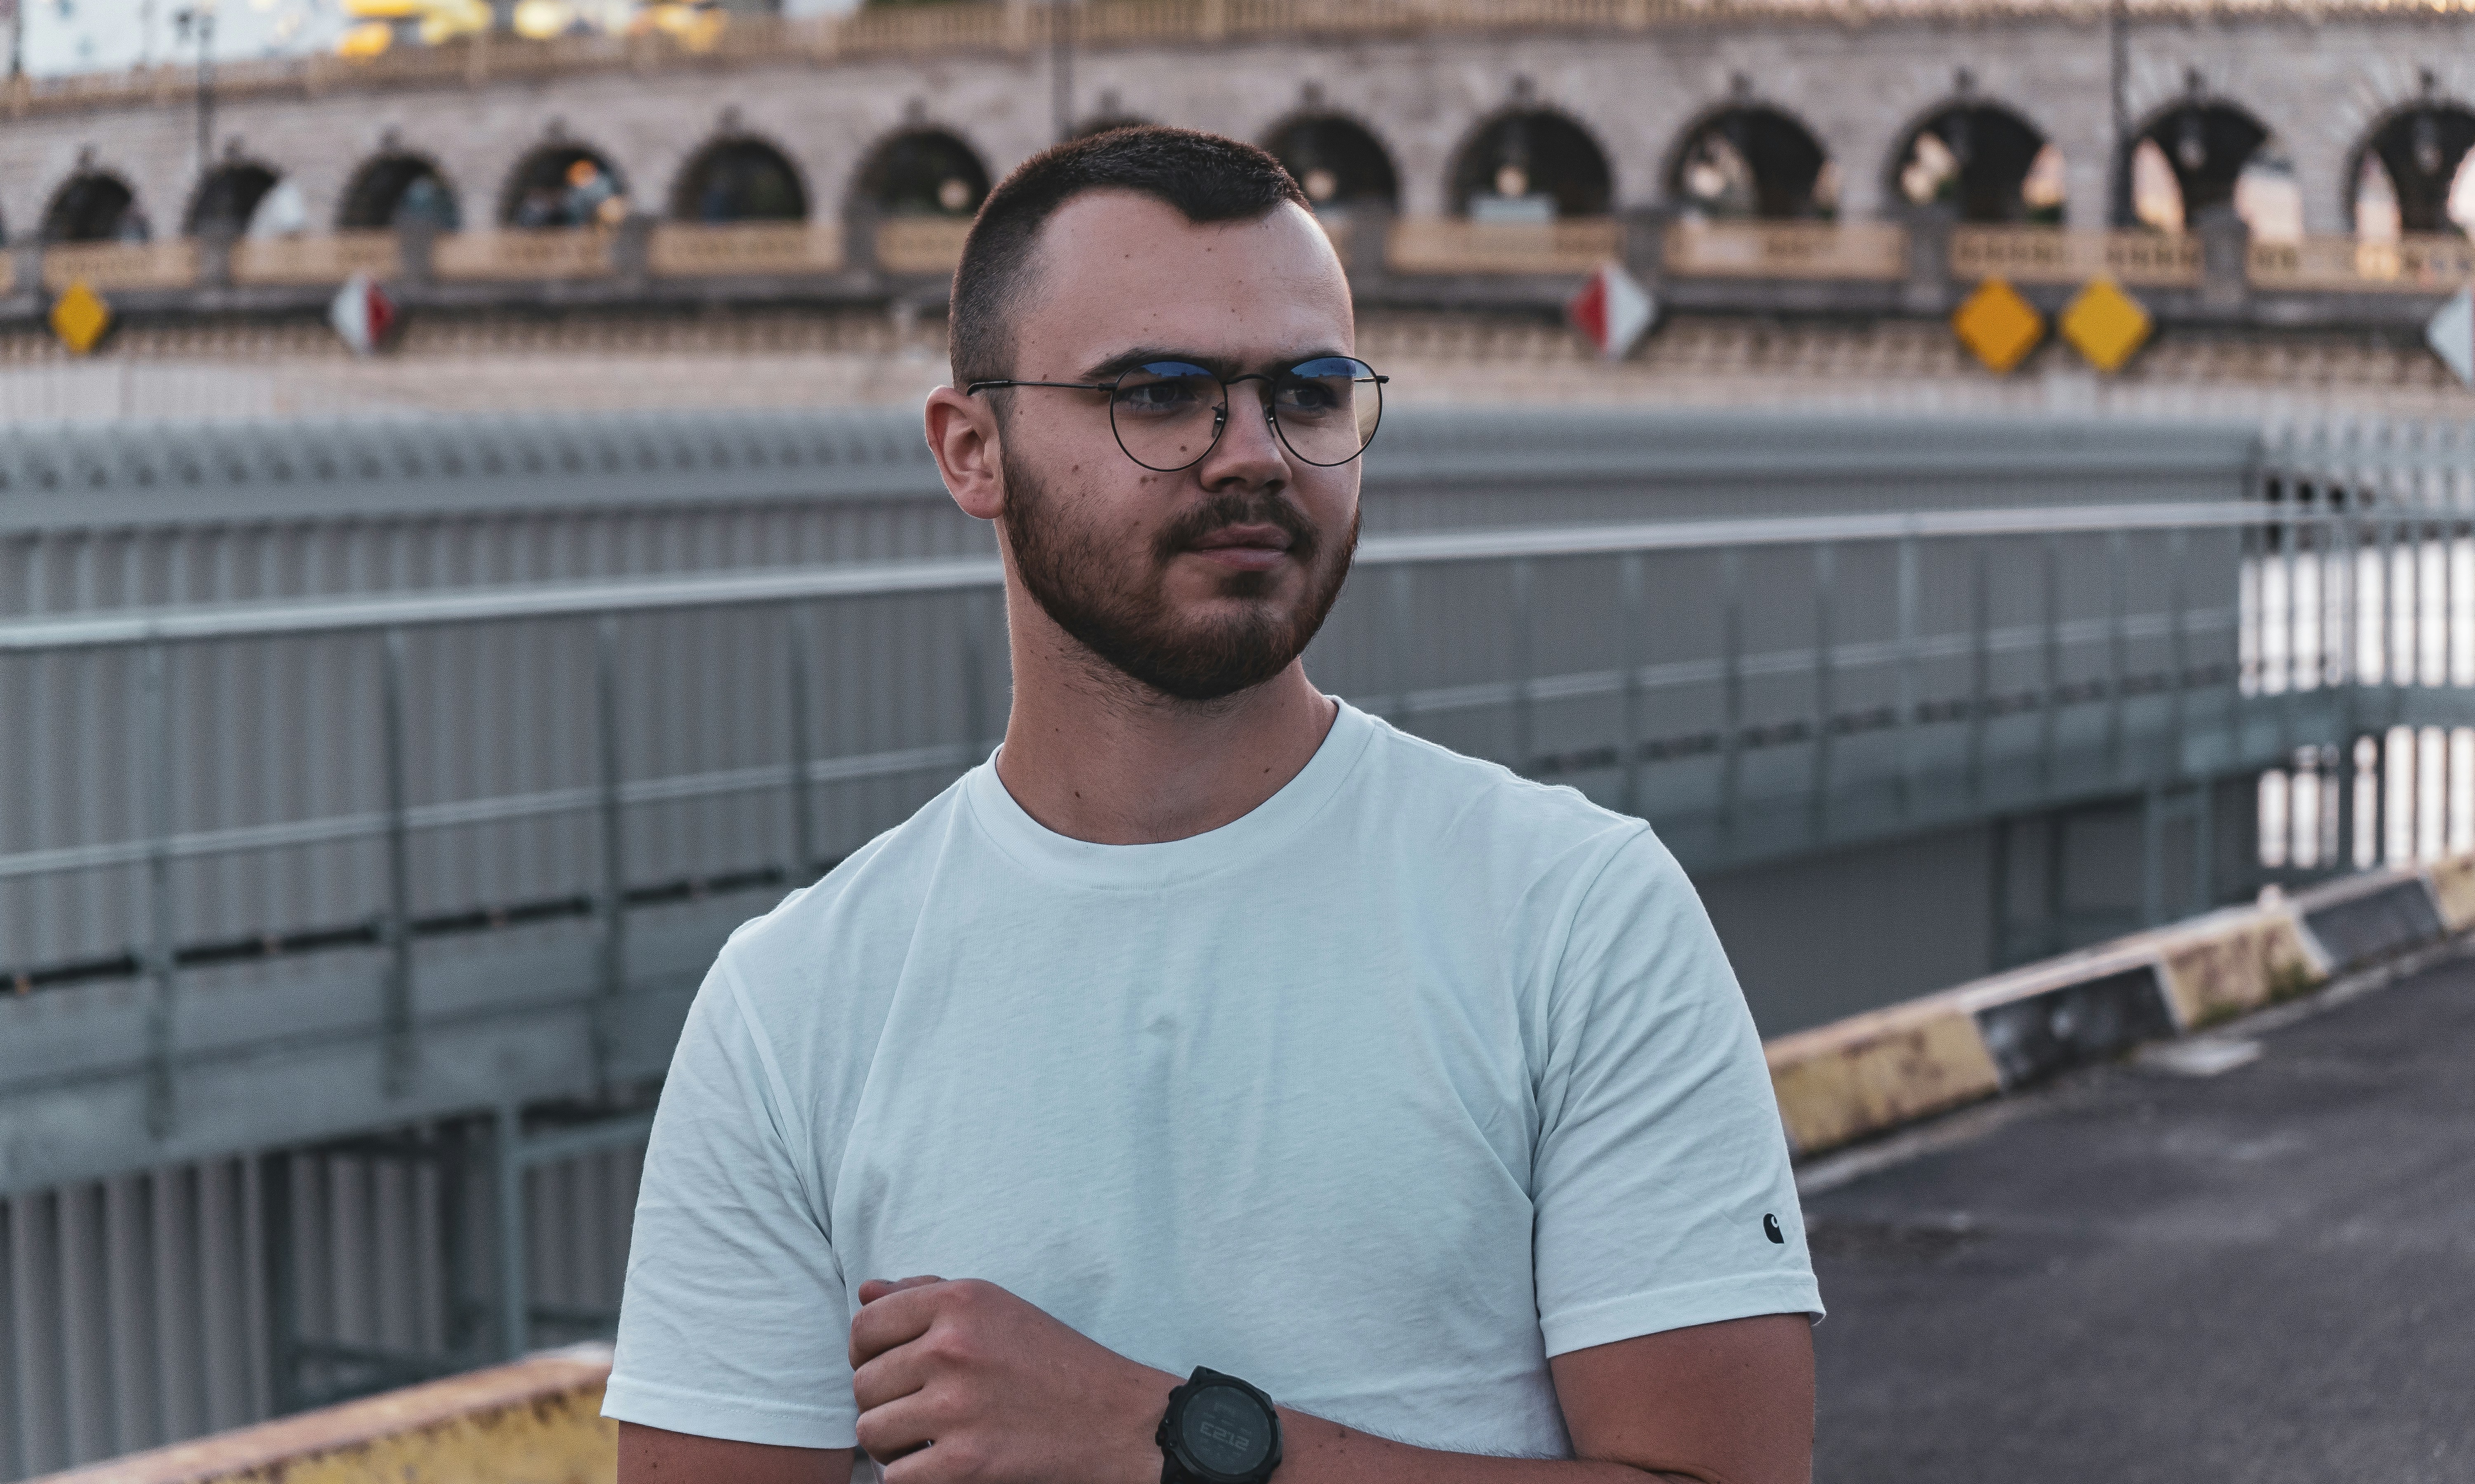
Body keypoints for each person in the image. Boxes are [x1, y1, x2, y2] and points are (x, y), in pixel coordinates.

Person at [604, 125, 1821, 1484]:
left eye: (1307, 392)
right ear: (972, 449)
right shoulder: (795, 1007)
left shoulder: (1577, 915)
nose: (1253, 453)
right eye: (1162, 392)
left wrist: (1170, 1443)